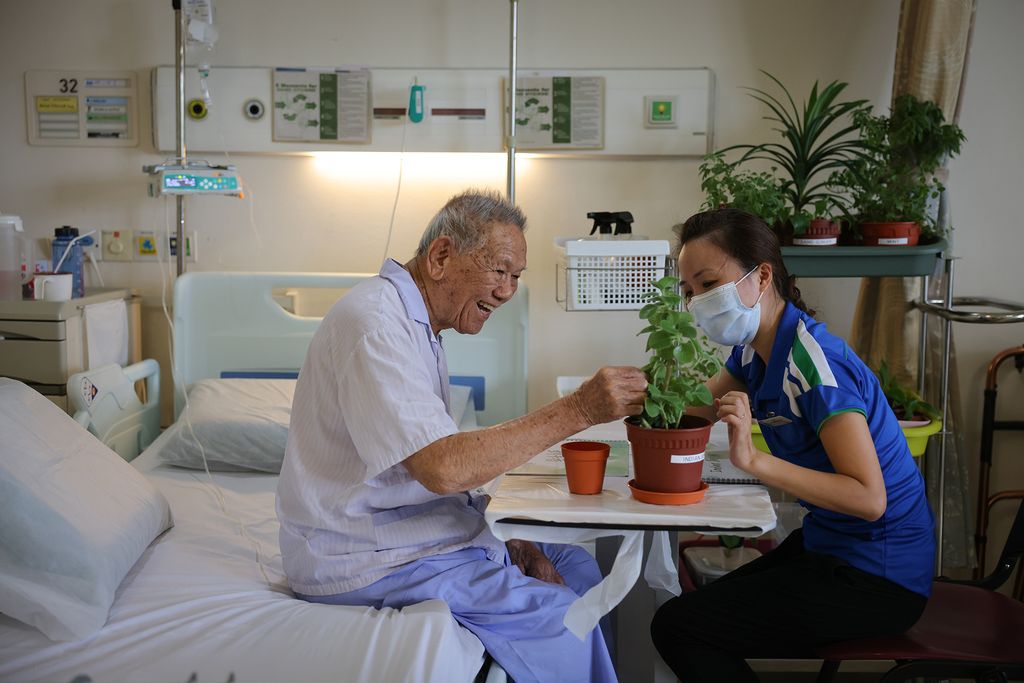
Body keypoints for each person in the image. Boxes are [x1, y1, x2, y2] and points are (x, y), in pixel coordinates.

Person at [276, 189, 647, 683]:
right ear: (441, 257)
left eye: (517, 277)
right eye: (500, 271)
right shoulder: (375, 327)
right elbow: (444, 468)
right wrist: (579, 408)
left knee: (577, 569)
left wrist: (508, 539)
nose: (508, 291)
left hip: (420, 535)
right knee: (563, 619)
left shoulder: (418, 323)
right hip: (367, 556)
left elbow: (432, 464)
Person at [650, 208, 934, 682]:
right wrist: (631, 396)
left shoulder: (815, 367)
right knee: (690, 610)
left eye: (707, 284)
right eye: (689, 291)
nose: (697, 302)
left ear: (761, 276)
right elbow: (694, 408)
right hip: (831, 546)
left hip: (879, 576)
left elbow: (869, 499)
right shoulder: (754, 352)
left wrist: (753, 459)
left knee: (681, 627)